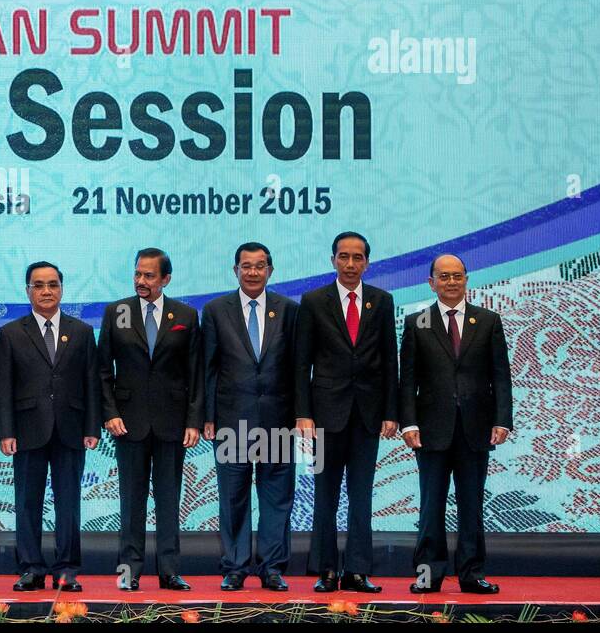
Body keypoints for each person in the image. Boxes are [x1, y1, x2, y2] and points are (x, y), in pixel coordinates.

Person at [399, 254, 513, 595]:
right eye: (444, 276)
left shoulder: (488, 321)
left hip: (476, 428)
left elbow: (500, 376)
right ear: (430, 282)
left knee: (472, 505)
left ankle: (471, 573)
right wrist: (408, 424)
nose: (451, 282)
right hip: (431, 430)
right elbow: (408, 381)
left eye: (457, 276)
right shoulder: (416, 322)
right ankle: (427, 575)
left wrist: (502, 420)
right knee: (430, 505)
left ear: (467, 279)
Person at [294, 231, 398, 594]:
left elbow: (389, 360)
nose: (350, 264)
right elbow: (301, 362)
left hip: (368, 415)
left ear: (367, 262)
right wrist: (303, 413)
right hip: (325, 414)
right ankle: (325, 569)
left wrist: (391, 411)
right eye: (343, 257)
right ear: (333, 260)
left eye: (357, 257)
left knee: (362, 494)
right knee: (325, 495)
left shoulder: (382, 302)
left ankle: (356, 570)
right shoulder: (313, 301)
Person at [98, 247, 203, 591]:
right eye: (138, 274)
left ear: (165, 279)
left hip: (173, 423)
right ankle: (129, 572)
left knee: (170, 499)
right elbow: (102, 370)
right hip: (128, 424)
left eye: (149, 276)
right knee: (131, 501)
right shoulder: (118, 312)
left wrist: (193, 421)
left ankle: (169, 570)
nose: (141, 281)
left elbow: (195, 374)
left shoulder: (185, 314)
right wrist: (110, 413)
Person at [0, 262, 100, 592]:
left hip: (70, 427)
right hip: (26, 429)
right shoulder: (11, 332)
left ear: (61, 289)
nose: (46, 291)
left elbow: (91, 383)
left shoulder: (81, 331)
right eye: (38, 285)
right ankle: (31, 567)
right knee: (27, 501)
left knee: (68, 502)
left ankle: (67, 568)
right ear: (27, 291)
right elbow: (3, 386)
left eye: (52, 284)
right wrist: (6, 430)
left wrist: (92, 427)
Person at [201, 242, 298, 591]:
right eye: (246, 266)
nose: (253, 272)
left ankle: (272, 568)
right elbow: (208, 369)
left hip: (278, 420)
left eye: (260, 266)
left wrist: (301, 415)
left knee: (277, 498)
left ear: (270, 271)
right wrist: (208, 417)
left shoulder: (289, 310)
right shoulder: (215, 310)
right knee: (233, 496)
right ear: (235, 270)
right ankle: (236, 567)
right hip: (231, 420)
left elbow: (298, 369)